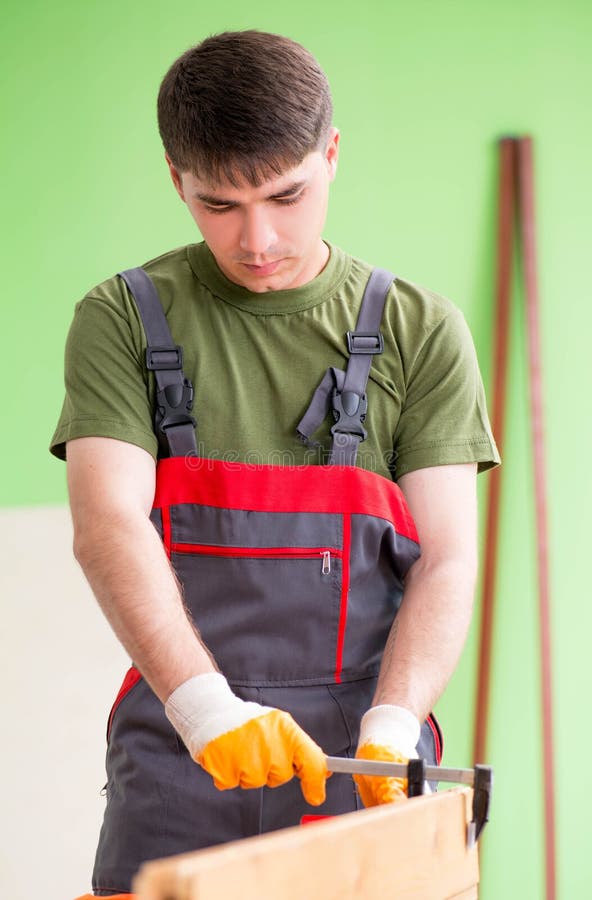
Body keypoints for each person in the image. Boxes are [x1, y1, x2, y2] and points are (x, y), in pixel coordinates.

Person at [51, 29, 499, 897]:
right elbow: (107, 524)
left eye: (287, 195)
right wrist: (204, 708)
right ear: (175, 178)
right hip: (182, 755)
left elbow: (448, 556)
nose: (258, 239)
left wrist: (396, 726)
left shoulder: (420, 331)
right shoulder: (121, 320)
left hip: (364, 760)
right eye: (219, 205)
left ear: (331, 154)